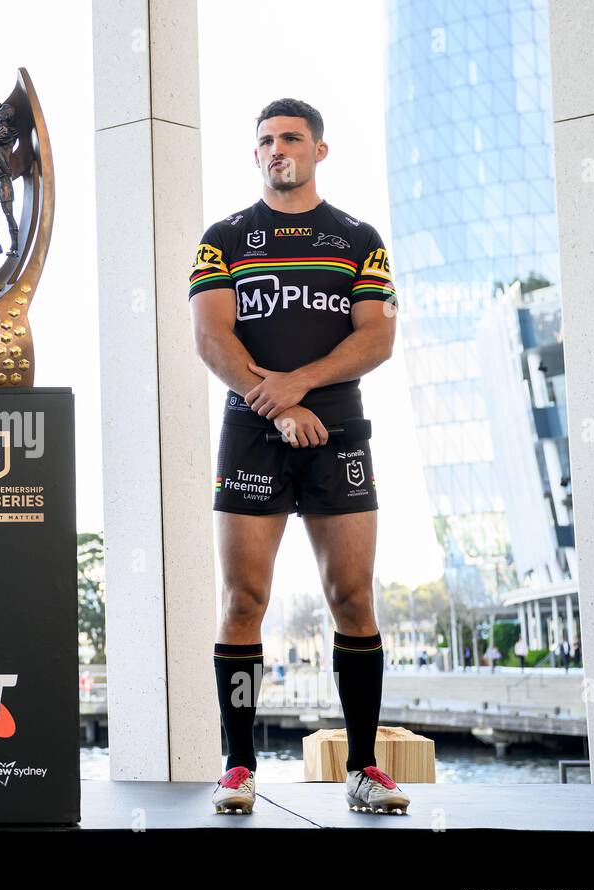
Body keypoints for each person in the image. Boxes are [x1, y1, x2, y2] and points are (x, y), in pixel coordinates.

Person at [192, 98, 408, 815]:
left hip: (338, 431)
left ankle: (366, 765)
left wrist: (303, 386)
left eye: (291, 138)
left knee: (352, 598)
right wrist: (279, 406)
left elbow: (375, 338)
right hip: (253, 430)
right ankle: (238, 766)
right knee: (242, 602)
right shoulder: (223, 238)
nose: (277, 149)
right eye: (265, 141)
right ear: (254, 156)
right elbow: (213, 340)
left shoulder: (358, 238)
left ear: (319, 150)